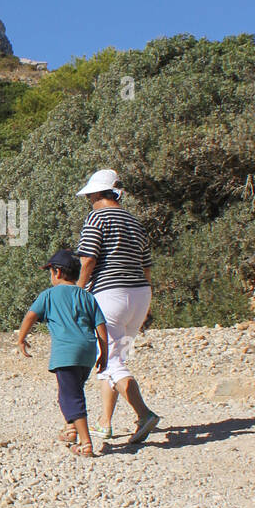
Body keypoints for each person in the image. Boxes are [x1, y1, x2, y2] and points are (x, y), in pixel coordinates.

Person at [75, 168, 161, 448]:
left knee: (111, 360)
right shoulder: (135, 221)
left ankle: (144, 413)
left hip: (109, 294)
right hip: (140, 294)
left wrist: (78, 290)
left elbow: (88, 258)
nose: (89, 200)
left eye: (90, 195)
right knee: (114, 359)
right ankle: (106, 422)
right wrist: (146, 303)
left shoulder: (96, 218)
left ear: (98, 193)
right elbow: (146, 265)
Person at [16, 248, 109, 457]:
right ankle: (70, 429)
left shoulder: (48, 295)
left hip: (66, 352)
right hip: (87, 352)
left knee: (70, 396)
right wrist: (104, 353)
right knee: (70, 391)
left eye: (50, 272)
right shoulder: (86, 296)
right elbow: (101, 326)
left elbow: (31, 316)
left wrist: (21, 339)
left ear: (57, 272)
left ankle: (86, 444)